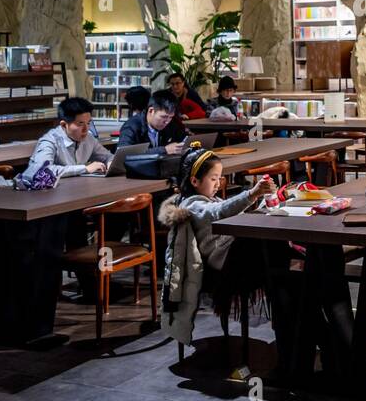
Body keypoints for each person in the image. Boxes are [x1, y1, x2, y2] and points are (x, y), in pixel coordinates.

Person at [159, 145, 276, 345]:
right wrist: (251, 194)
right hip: (222, 260)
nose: (218, 183)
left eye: (219, 178)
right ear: (194, 181)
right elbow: (219, 211)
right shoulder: (193, 205)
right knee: (273, 252)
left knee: (274, 249)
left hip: (228, 253)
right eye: (213, 179)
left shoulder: (207, 199)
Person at [23, 97, 113, 180]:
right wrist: (84, 168)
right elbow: (42, 170)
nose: (86, 129)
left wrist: (110, 162)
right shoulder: (49, 141)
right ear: (63, 125)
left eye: (88, 123)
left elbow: (108, 157)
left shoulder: (89, 137)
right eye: (80, 124)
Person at [117, 89, 187, 156]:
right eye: (164, 117)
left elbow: (182, 139)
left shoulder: (169, 123)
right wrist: (164, 150)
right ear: (151, 111)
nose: (167, 122)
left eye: (171, 117)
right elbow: (123, 154)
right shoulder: (131, 126)